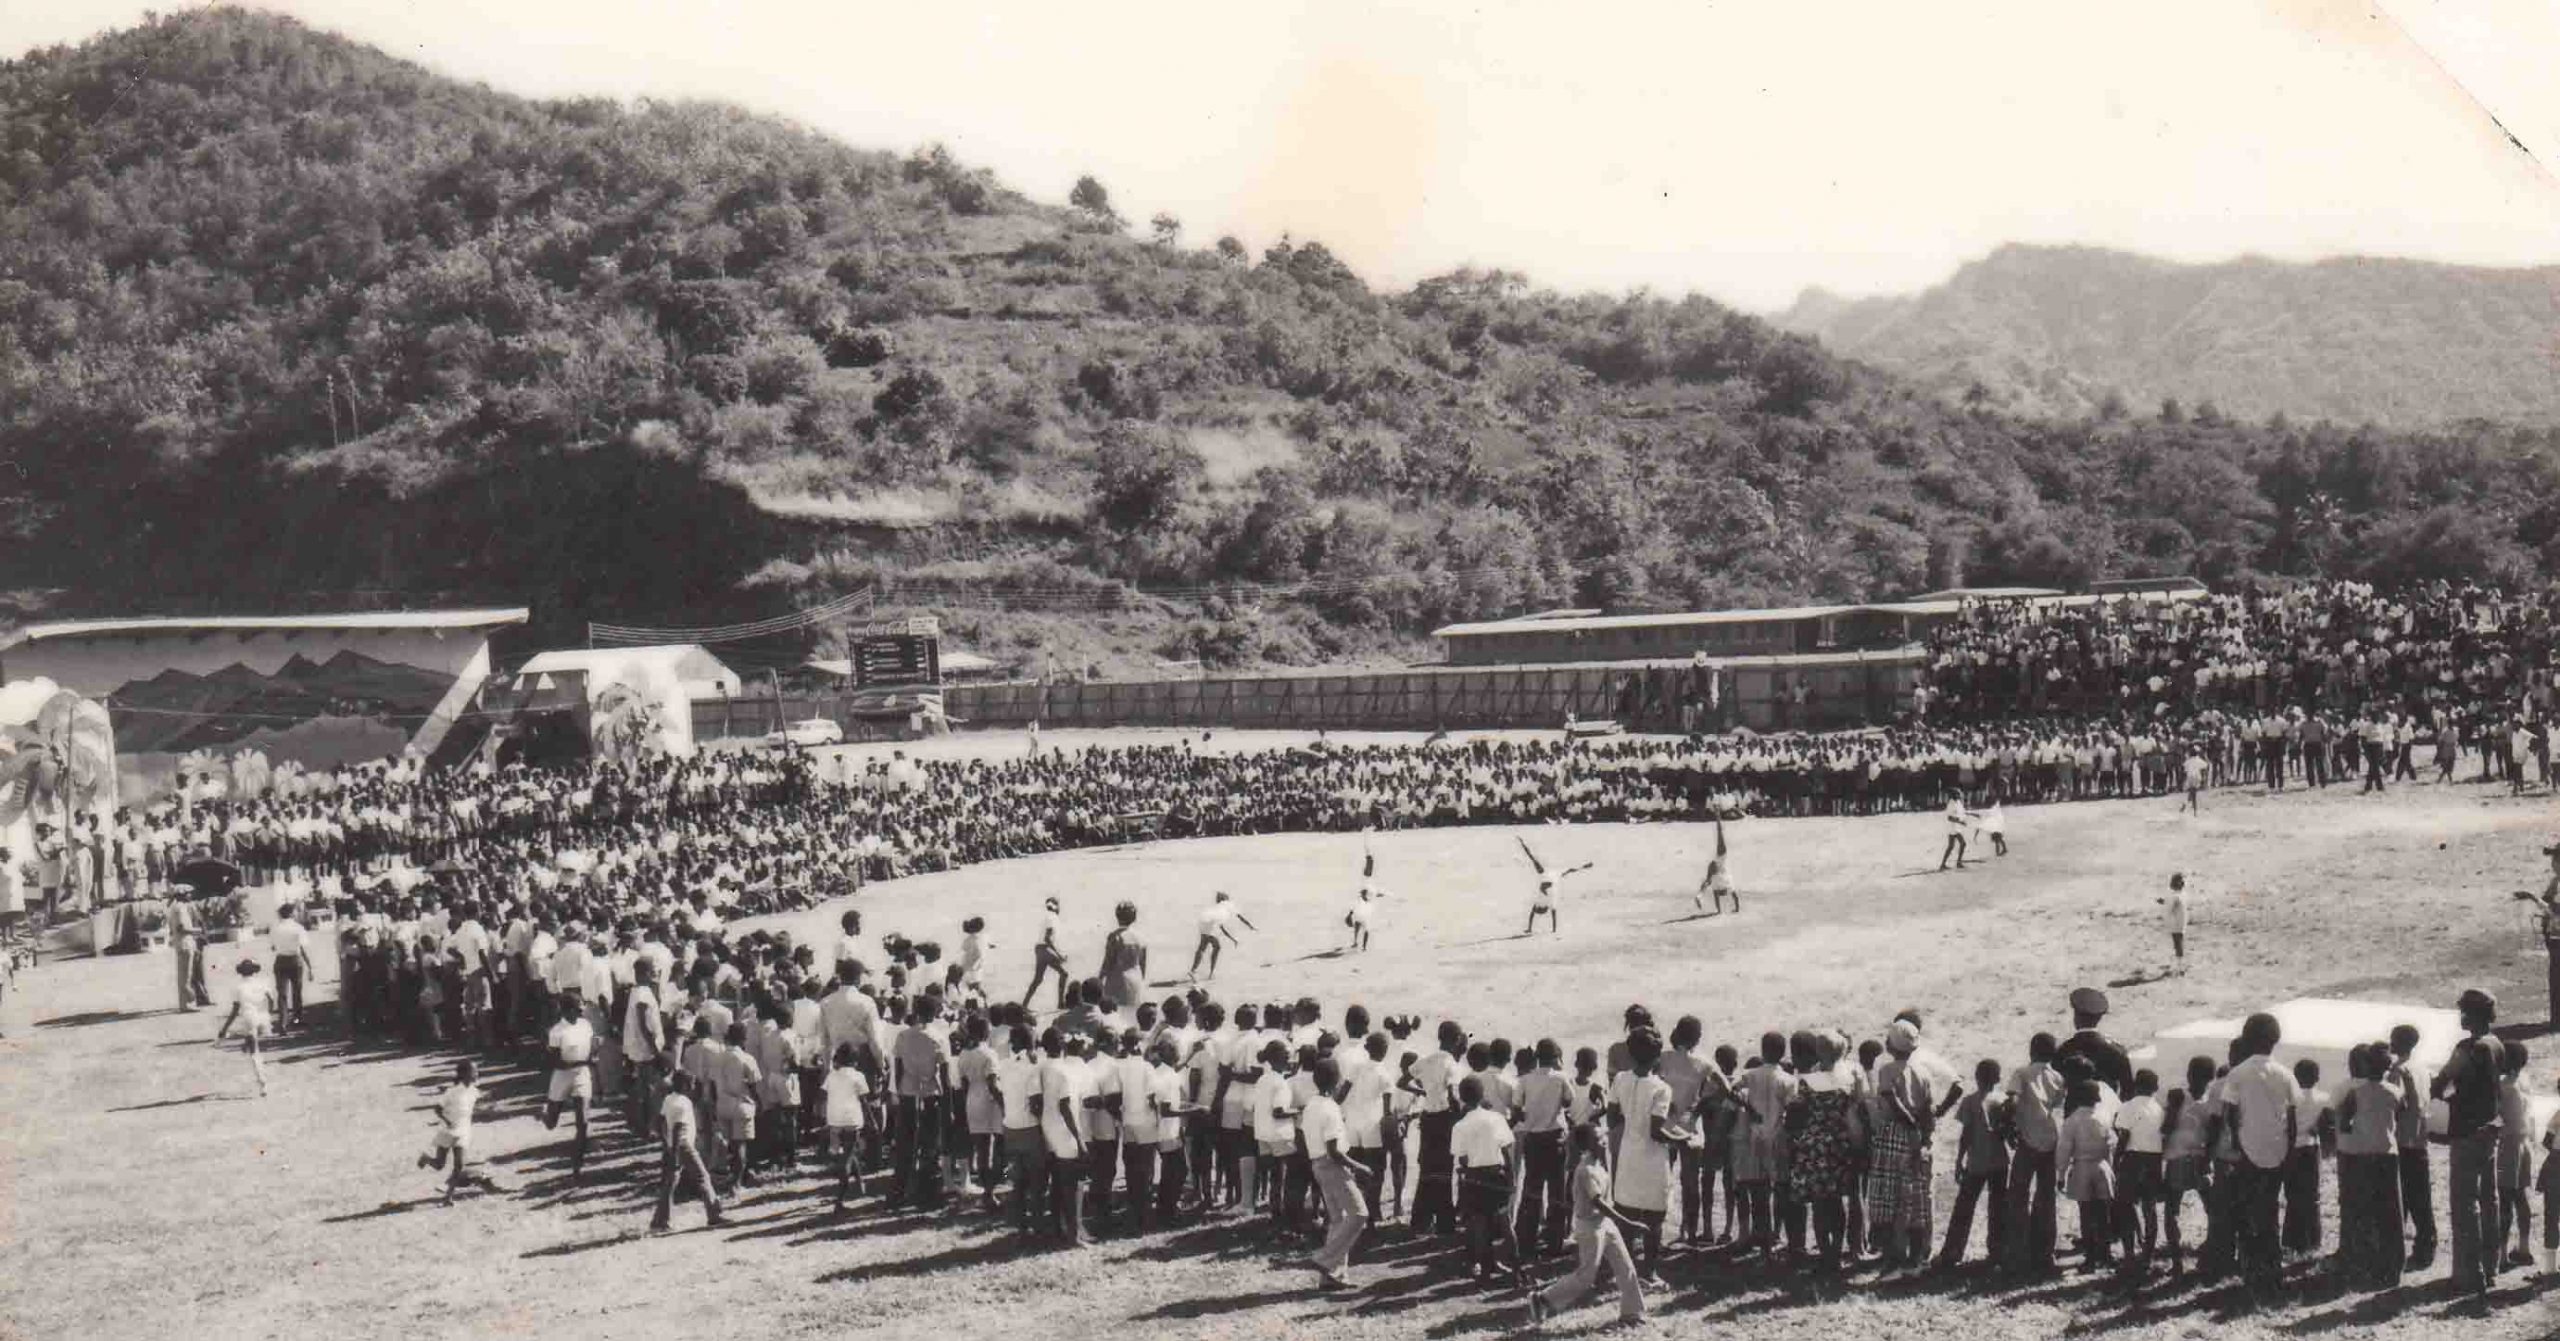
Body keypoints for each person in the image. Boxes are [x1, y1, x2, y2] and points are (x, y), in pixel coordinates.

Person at [1528, 1123, 1647, 1327]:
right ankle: (1542, 1299)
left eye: (1603, 1138)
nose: (1604, 1141)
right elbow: (1598, 1203)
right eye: (1599, 1139)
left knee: (1625, 1265)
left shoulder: (1600, 1164)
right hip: (1590, 1228)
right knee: (1586, 1276)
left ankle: (1632, 1312)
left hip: (1605, 1224)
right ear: (1587, 1145)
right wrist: (1628, 1223)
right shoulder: (1585, 1170)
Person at [2222, 1012, 2301, 1307]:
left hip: (2247, 1152)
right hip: (2278, 1152)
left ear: (2246, 1038)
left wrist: (2238, 1147)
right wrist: (2289, 1152)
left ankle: (2253, 1273)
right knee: (2270, 1212)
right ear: (2275, 1040)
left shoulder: (2237, 1073)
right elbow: (2292, 1120)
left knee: (2250, 1213)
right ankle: (2273, 1273)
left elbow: (2230, 1115)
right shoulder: (2286, 1074)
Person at [2433, 987, 2507, 1298]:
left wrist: (2450, 1097)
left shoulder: (2468, 1047)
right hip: (2490, 1127)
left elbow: (2440, 1084)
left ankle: (2468, 1274)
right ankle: (2490, 1269)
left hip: (2466, 1130)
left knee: (2465, 1204)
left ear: (2472, 1014)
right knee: (2489, 1200)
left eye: (2464, 1011)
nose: (2461, 1016)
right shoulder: (2497, 1044)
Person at [1298, 1056, 1371, 1288]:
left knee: (1338, 1219)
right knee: (1359, 1215)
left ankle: (1333, 1277)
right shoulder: (1330, 1108)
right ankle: (1324, 1259)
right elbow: (1334, 1151)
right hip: (1332, 1165)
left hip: (1317, 1164)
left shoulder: (1312, 1104)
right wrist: (1359, 1167)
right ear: (1337, 1081)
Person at [1936, 1058, 2010, 1271]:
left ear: (1977, 1078)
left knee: (1964, 1207)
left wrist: (1959, 1159)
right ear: (1997, 1078)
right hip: (1999, 1161)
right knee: (1998, 1207)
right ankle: (1998, 1251)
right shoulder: (2003, 1099)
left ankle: (1952, 1252)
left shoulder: (1970, 1101)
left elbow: (1966, 1134)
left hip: (1977, 1162)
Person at [1451, 1074, 1522, 1284]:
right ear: (1483, 1095)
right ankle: (1517, 1270)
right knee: (1505, 1224)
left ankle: (1484, 1274)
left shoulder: (1460, 1126)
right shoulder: (1497, 1118)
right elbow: (1507, 1150)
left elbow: (1462, 1159)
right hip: (1497, 1176)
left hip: (1475, 1179)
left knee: (1480, 1226)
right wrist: (1511, 1178)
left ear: (1462, 1098)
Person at [650, 1071, 728, 1233]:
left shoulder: (669, 1099)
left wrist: (667, 1144)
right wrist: (675, 1151)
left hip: (674, 1145)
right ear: (685, 1085)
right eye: (691, 1084)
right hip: (684, 1145)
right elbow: (679, 1128)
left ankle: (660, 1220)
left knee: (671, 1182)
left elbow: (660, 1122)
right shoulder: (684, 1103)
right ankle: (714, 1215)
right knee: (703, 1177)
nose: (694, 1087)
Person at [417, 1059, 499, 1203]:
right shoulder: (452, 1092)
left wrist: (487, 1109)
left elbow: (471, 1109)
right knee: (439, 1165)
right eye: (474, 1071)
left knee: (459, 1165)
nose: (477, 1073)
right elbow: (437, 1109)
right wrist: (448, 1121)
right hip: (447, 1131)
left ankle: (448, 1197)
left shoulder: (474, 1091)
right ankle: (426, 1158)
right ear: (464, 1074)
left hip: (463, 1132)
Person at [541, 996, 596, 1178]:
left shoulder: (586, 1025)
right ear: (567, 1011)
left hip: (582, 1074)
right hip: (562, 1076)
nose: (582, 1011)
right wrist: (585, 1060)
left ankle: (577, 1166)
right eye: (578, 1008)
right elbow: (557, 1063)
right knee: (551, 1123)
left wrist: (591, 1058)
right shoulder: (557, 1032)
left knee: (583, 1122)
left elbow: (591, 1047)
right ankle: (545, 1113)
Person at [213, 959, 275, 1098]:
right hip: (263, 1017)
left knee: (254, 1052)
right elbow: (271, 1000)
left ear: (241, 973)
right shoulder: (263, 982)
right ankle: (247, 1043)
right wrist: (268, 1014)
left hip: (249, 1018)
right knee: (253, 1041)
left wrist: (224, 1028)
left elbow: (235, 1011)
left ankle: (263, 1083)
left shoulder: (238, 987)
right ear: (255, 971)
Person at [823, 1042, 871, 1211]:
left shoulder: (831, 1075)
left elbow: (824, 1095)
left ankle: (859, 1182)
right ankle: (839, 1201)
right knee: (848, 1157)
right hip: (851, 1120)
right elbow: (864, 1101)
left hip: (834, 1120)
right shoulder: (858, 1076)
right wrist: (872, 1120)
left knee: (850, 1153)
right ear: (855, 1061)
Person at [1515, 837, 1590, 937]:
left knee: (1534, 859)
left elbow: (1550, 914)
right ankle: (1523, 844)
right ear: (1541, 907)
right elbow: (1534, 913)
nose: (1536, 907)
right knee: (1533, 858)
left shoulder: (1547, 903)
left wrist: (1553, 929)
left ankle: (1584, 866)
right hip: (1548, 877)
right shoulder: (1541, 902)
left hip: (1552, 878)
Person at [268, 902, 312, 1032]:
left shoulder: (275, 928)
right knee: (296, 991)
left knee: (282, 994)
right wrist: (310, 966)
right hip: (295, 960)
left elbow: (273, 947)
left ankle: (283, 1022)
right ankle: (297, 1018)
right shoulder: (298, 928)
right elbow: (303, 948)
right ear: (292, 913)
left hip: (280, 959)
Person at [1099, 901, 1147, 1011]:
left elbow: (1108, 962)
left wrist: (1100, 979)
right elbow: (1143, 964)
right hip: (1136, 980)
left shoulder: (1115, 936)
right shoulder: (1140, 937)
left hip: (1117, 981)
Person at [1024, 897, 1071, 1009]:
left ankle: (1024, 1005)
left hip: (1039, 949)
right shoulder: (1053, 918)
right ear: (1056, 906)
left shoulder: (1046, 917)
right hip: (1045, 949)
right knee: (1064, 974)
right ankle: (1060, 1003)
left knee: (1038, 979)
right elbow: (1047, 939)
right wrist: (1060, 955)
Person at [1696, 816, 1740, 916]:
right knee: (1708, 880)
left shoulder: (1727, 885)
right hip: (1718, 870)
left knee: (1720, 834)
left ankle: (1700, 895)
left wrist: (1737, 908)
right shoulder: (1724, 885)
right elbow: (1733, 896)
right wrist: (1736, 909)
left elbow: (1734, 897)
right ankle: (1700, 895)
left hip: (1718, 864)